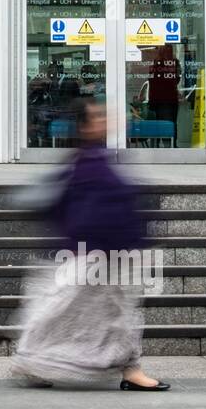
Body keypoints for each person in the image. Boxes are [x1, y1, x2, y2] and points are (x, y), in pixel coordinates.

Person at [10, 98, 169, 391]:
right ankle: (35, 360)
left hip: (104, 251)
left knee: (101, 311)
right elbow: (86, 210)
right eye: (97, 117)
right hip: (97, 253)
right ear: (84, 126)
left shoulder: (94, 160)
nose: (104, 121)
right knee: (73, 307)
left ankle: (126, 368)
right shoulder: (87, 164)